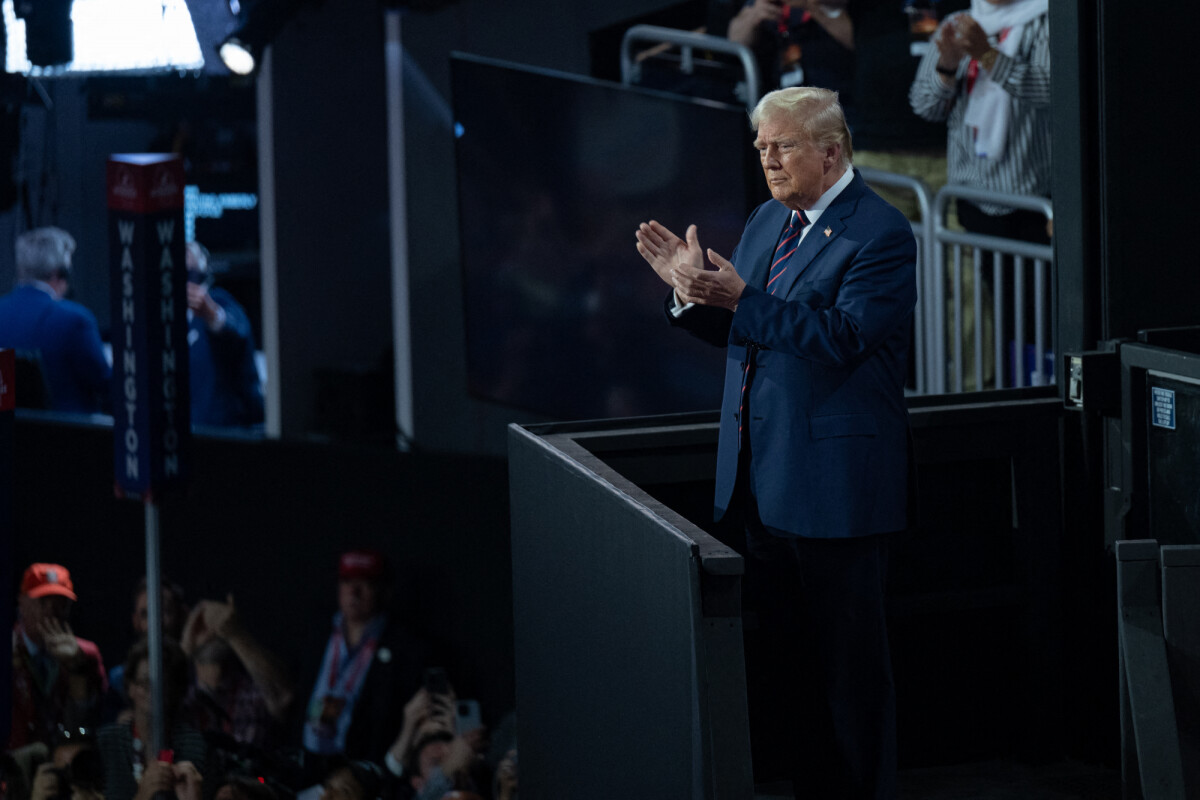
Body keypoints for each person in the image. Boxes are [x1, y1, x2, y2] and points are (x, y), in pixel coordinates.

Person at [635, 86, 915, 798]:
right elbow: (747, 327)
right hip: (762, 484)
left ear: (831, 152)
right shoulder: (768, 220)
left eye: (782, 146)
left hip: (835, 490)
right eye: (761, 146)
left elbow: (843, 337)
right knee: (790, 672)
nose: (768, 159)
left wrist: (740, 298)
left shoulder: (880, 233)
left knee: (850, 680)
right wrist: (690, 295)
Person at [909, 0, 1050, 382]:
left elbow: (1051, 88)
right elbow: (923, 104)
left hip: (1031, 199)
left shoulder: (1045, 19)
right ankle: (988, 394)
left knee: (1034, 317)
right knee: (979, 313)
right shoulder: (959, 24)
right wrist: (947, 65)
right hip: (969, 197)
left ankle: (1036, 393)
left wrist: (987, 55)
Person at [301, 550, 431, 765]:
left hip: (359, 767)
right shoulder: (317, 632)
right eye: (347, 581)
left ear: (384, 590)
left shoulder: (404, 647)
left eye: (365, 583)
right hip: (307, 758)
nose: (353, 591)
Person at [0, 228, 110, 413]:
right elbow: (106, 384)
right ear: (59, 273)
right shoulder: (75, 320)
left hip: (9, 428)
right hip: (69, 429)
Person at [10, 563, 109, 751]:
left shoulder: (86, 655)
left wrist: (77, 668)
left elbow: (96, 719)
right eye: (43, 601)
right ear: (22, 603)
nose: (52, 611)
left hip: (67, 759)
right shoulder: (9, 650)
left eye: (60, 603)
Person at [95, 639, 208, 800]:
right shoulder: (107, 743)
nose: (154, 692)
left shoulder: (197, 747)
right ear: (131, 687)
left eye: (164, 683)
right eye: (146, 683)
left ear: (177, 690)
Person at [180, 593, 295, 749]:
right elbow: (155, 713)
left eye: (219, 621)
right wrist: (185, 648)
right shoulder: (181, 691)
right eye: (202, 622)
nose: (212, 630)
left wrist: (234, 634)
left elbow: (283, 698)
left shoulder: (250, 690)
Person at [185, 240, 265, 428]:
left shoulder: (220, 300)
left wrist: (211, 313)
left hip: (226, 429)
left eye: (190, 270)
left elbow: (234, 328)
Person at [713, 0, 855, 105]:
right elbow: (735, 39)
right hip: (783, 102)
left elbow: (860, 43)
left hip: (838, 103)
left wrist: (811, 6)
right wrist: (755, 15)